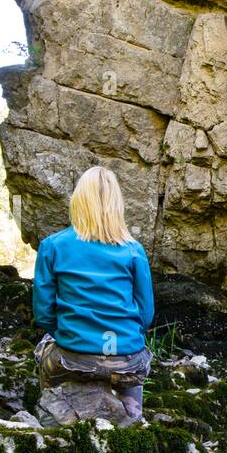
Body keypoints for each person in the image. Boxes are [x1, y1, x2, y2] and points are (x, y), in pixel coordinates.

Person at [32, 166, 155, 426]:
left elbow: (43, 312)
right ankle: (132, 416)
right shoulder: (133, 250)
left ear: (79, 200)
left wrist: (70, 334)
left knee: (44, 347)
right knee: (131, 361)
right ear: (116, 204)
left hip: (73, 357)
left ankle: (54, 412)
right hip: (127, 360)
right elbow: (145, 315)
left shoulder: (52, 245)